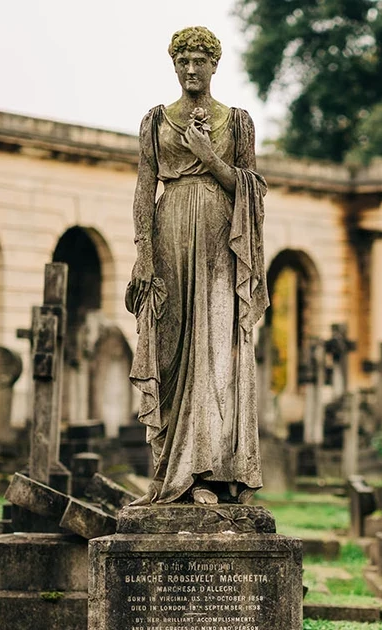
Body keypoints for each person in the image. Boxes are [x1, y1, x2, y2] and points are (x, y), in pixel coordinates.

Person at [126, 26, 268, 505]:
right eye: (182, 60)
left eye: (198, 61)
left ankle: (208, 473)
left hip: (218, 247)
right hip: (168, 239)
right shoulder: (156, 122)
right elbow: (145, 190)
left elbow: (251, 189)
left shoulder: (238, 123)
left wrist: (209, 157)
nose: (190, 69)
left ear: (214, 65)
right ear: (174, 65)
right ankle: (169, 470)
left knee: (213, 353)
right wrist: (143, 254)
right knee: (167, 350)